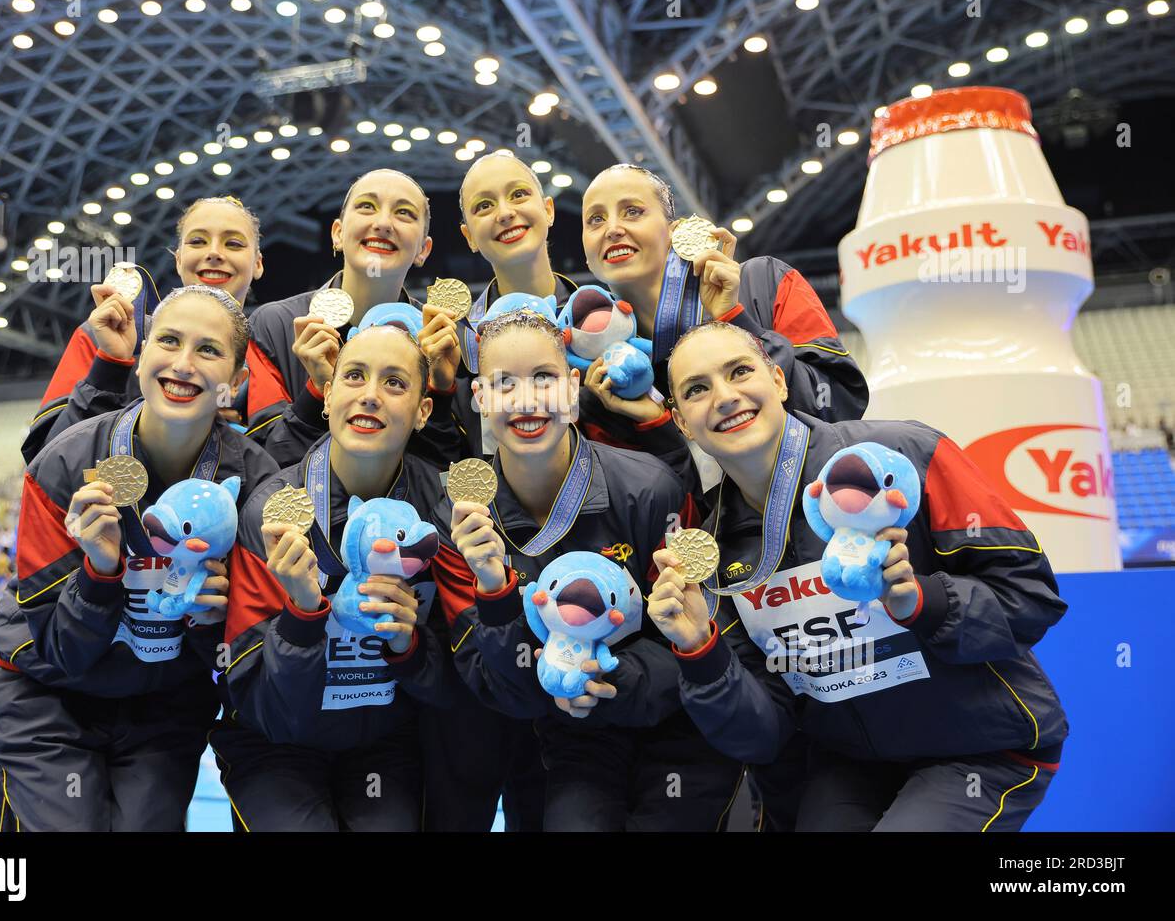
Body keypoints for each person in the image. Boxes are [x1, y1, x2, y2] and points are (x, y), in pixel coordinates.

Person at [648, 321, 1067, 830]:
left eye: (740, 371)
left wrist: (924, 603)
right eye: (697, 389)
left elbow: (1031, 594)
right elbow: (764, 731)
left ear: (779, 380)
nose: (726, 396)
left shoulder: (903, 454)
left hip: (980, 748)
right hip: (848, 763)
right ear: (682, 423)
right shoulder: (709, 549)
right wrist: (701, 651)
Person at [0, 285, 279, 831]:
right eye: (168, 341)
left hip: (162, 708)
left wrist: (213, 622)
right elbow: (61, 649)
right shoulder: (65, 465)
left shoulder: (254, 483)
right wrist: (98, 575)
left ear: (235, 384)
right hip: (49, 696)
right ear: (141, 357)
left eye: (208, 350)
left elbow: (246, 656)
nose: (183, 364)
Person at [433, 310, 744, 830]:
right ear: (480, 399)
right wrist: (493, 589)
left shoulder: (650, 490)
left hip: (675, 726)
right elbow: (498, 686)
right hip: (565, 741)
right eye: (504, 384)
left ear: (573, 389)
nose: (527, 400)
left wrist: (614, 676)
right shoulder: (458, 517)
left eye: (544, 379)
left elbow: (698, 634)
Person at [213, 324, 450, 830]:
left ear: (423, 411)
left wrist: (410, 647)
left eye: (394, 383)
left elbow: (461, 686)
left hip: (384, 744)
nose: (369, 395)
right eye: (355, 377)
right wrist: (300, 617)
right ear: (328, 396)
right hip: (275, 749)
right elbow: (259, 703)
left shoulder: (442, 511)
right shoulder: (270, 512)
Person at [579, 164, 868, 441]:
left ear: (674, 231)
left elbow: (839, 401)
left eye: (632, 211)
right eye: (596, 219)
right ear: (586, 250)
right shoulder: (595, 358)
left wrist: (736, 320)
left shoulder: (763, 281)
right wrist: (654, 427)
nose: (613, 229)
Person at [244, 169, 461, 468]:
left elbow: (444, 472)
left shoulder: (441, 339)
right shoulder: (275, 325)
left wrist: (440, 392)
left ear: (423, 250)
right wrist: (317, 393)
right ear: (338, 233)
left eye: (404, 213)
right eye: (367, 206)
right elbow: (265, 464)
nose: (383, 223)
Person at [23, 196, 266, 463]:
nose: (214, 253)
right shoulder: (103, 335)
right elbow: (47, 461)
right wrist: (110, 365)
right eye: (197, 241)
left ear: (257, 263)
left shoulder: (278, 345)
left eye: (233, 244)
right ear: (178, 259)